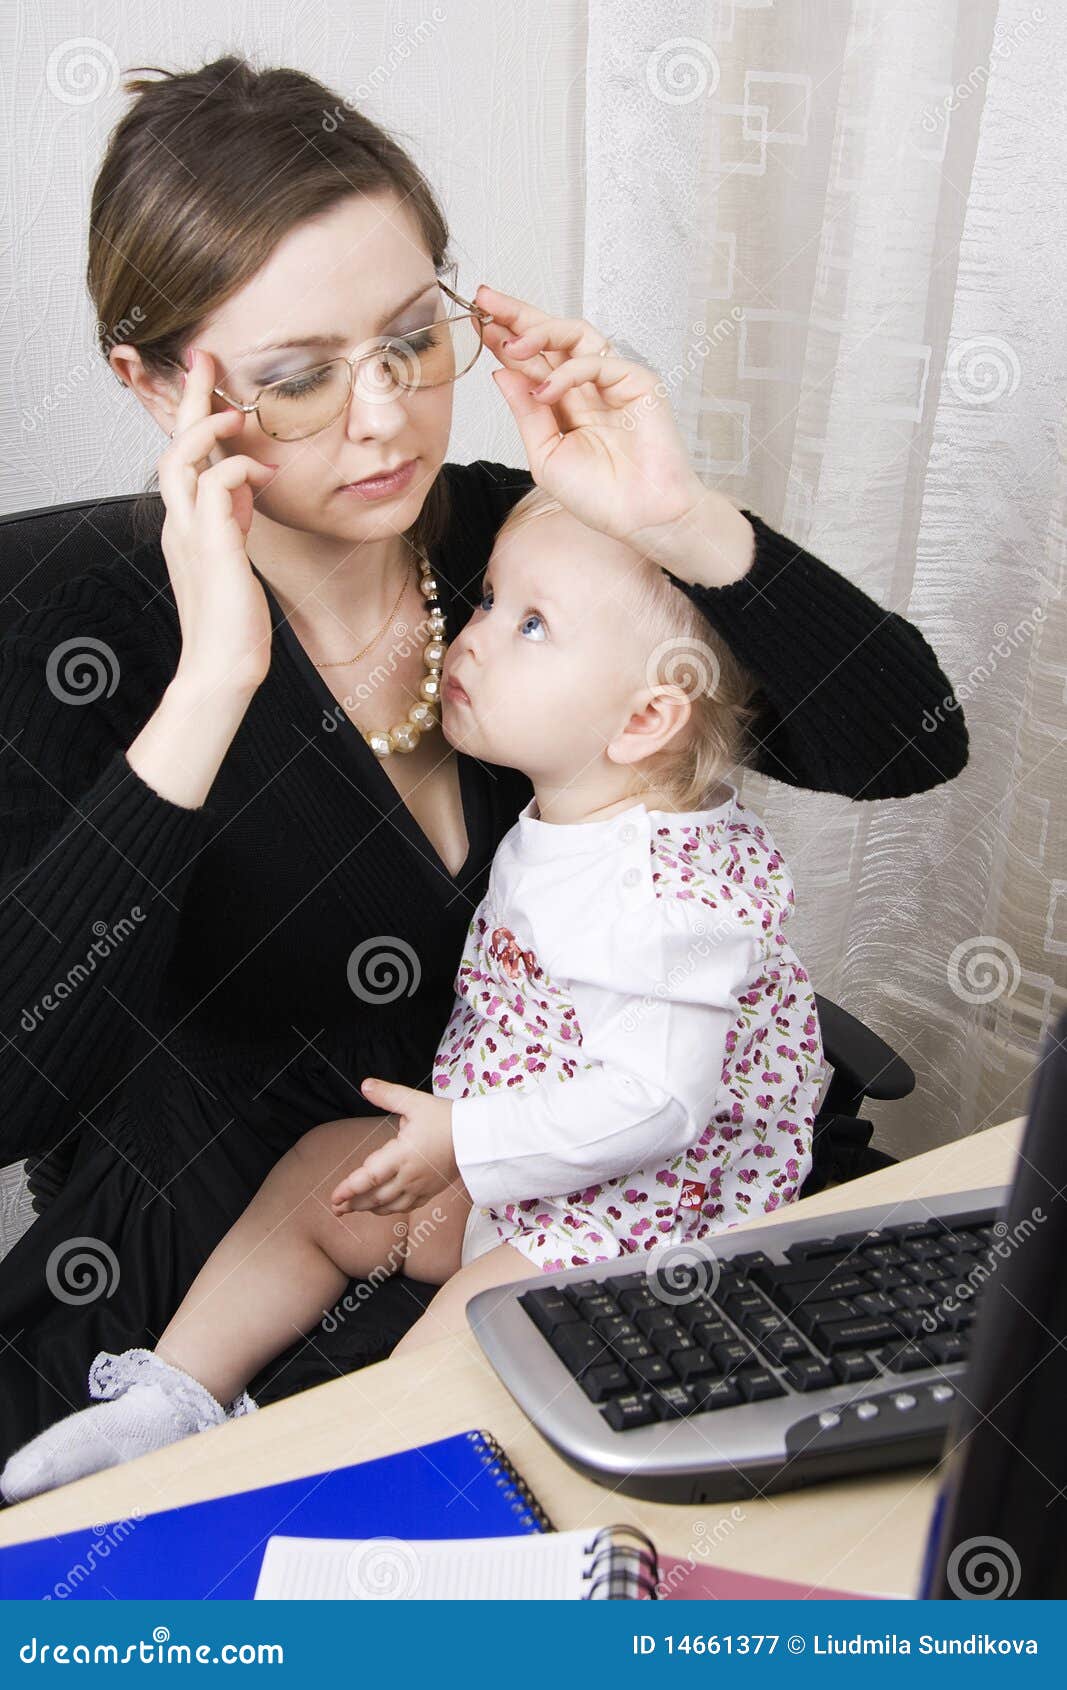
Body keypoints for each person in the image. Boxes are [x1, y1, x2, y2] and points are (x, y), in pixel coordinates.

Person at [0, 58, 967, 1473]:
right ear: (154, 386)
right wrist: (210, 688)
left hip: (616, 1206)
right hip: (258, 1252)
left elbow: (911, 744)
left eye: (409, 339)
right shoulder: (63, 625)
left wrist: (681, 520)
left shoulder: (523, 555)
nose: (383, 416)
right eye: (297, 379)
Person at [1, 484, 826, 1500]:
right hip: (534, 1167)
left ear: (644, 718)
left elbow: (659, 1104)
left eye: (531, 626)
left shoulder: (661, 895)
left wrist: (464, 1138)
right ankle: (169, 1398)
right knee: (322, 1176)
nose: (471, 638)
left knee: (457, 1343)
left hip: (642, 1222)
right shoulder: (578, 804)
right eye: (489, 602)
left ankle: (345, 1486)